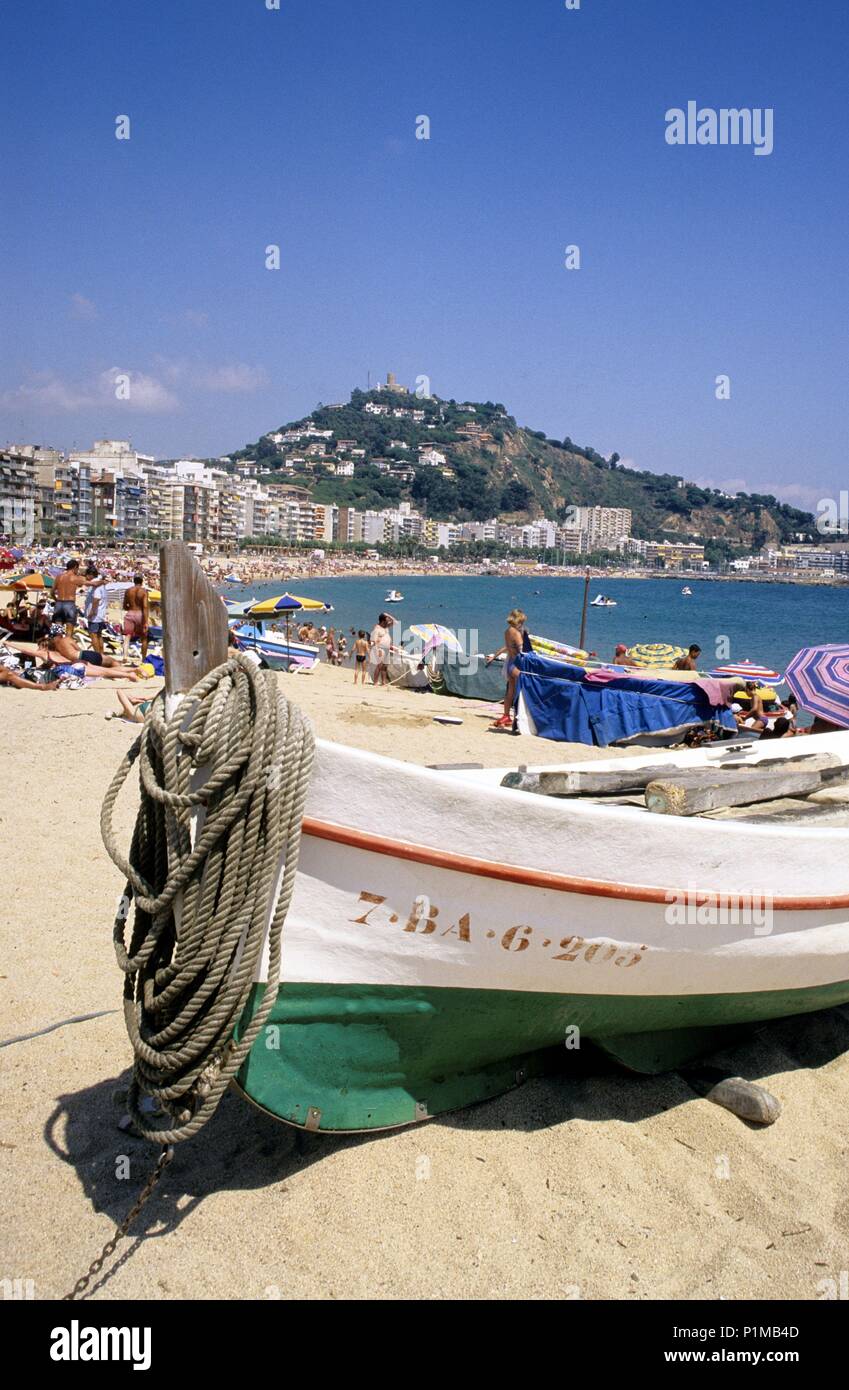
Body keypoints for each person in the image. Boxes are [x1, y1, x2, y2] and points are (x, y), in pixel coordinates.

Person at [488, 608, 526, 728]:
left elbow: (507, 647)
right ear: (518, 620)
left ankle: (506, 715)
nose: (522, 624)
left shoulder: (507, 631)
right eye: (521, 622)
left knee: (510, 691)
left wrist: (494, 656)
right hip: (516, 664)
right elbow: (522, 650)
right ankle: (517, 717)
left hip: (510, 664)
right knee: (520, 691)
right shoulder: (516, 632)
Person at [53, 559, 98, 635]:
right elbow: (92, 583)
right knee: (69, 631)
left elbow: (52, 592)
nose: (77, 571)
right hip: (69, 604)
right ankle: (67, 645)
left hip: (59, 604)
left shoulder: (58, 577)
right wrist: (102, 582)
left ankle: (57, 645)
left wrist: (56, 600)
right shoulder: (75, 578)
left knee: (57, 631)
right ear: (74, 567)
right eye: (77, 568)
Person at [122, 574, 149, 662]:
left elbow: (124, 605)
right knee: (144, 637)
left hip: (130, 613)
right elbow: (145, 606)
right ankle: (143, 659)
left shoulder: (128, 591)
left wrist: (130, 608)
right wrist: (145, 621)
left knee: (127, 636)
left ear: (134, 581)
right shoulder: (144, 591)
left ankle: (125, 656)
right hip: (140, 614)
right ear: (141, 581)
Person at [83, 566, 109, 655]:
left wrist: (92, 612)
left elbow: (96, 599)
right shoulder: (100, 584)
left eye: (86, 575)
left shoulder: (96, 585)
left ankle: (98, 656)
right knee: (99, 635)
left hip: (95, 615)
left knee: (93, 635)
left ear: (90, 575)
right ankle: (101, 654)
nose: (85, 577)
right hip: (100, 614)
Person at [369, 613, 394, 686]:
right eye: (387, 619)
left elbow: (394, 622)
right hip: (380, 649)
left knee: (385, 667)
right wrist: (377, 650)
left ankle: (383, 682)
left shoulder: (386, 627)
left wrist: (389, 615)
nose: (388, 620)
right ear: (383, 620)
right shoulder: (377, 629)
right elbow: (373, 641)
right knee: (379, 666)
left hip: (387, 649)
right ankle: (375, 682)